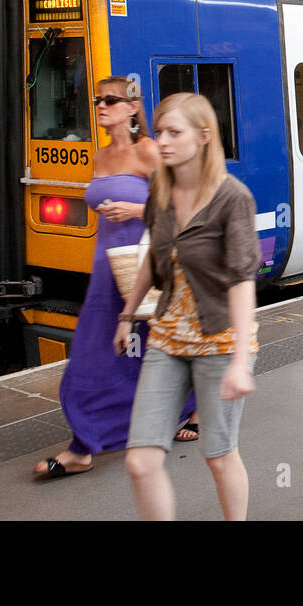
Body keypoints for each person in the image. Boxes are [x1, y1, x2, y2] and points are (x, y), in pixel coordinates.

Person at [34, 78, 197, 478]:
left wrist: (134, 210)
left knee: (157, 347)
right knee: (99, 353)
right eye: (97, 100)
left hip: (144, 264)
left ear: (131, 108)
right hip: (107, 268)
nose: (101, 106)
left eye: (110, 100)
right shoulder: (100, 156)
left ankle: (85, 446)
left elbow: (182, 208)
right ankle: (91, 440)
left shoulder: (148, 152)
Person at [117, 93, 259, 521]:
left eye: (173, 132)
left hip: (220, 341)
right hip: (167, 338)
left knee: (217, 454)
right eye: (158, 131)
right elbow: (152, 258)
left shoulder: (232, 198)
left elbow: (240, 281)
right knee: (140, 460)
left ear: (203, 136)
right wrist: (128, 314)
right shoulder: (160, 190)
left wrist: (239, 361)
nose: (162, 140)